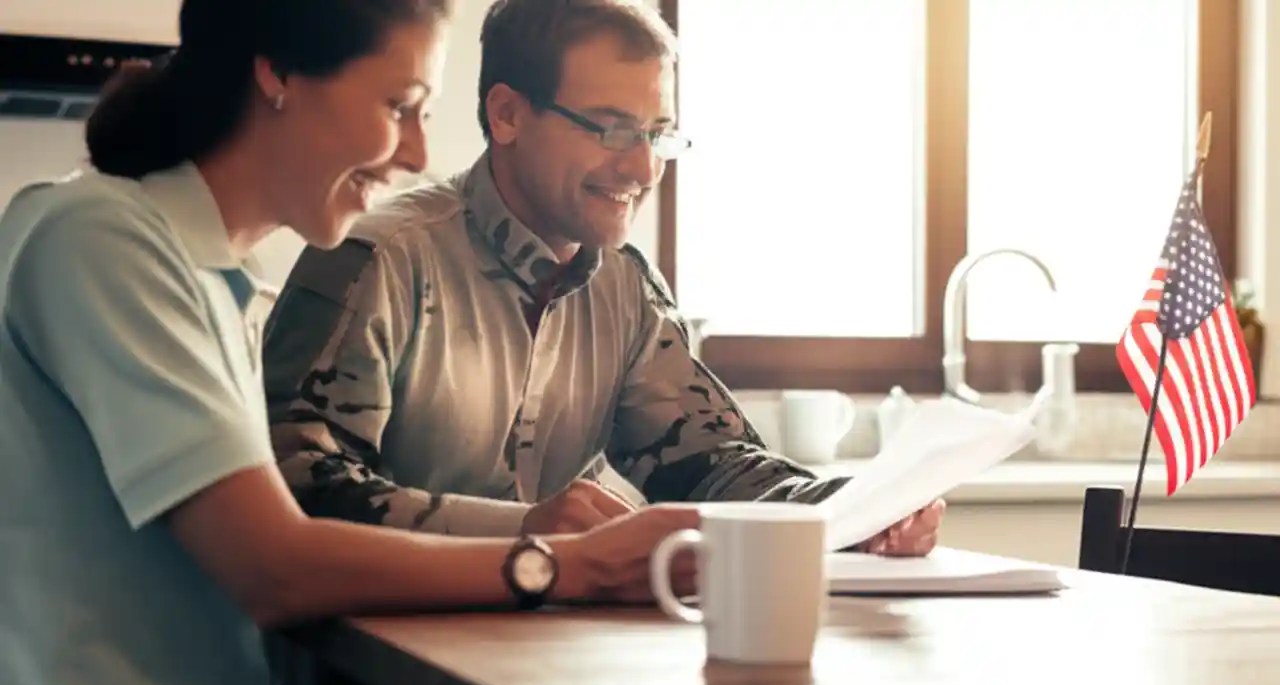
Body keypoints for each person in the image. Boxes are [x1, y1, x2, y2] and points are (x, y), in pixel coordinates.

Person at [0, 1, 701, 685]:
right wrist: (571, 564)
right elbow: (271, 565)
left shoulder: (220, 280)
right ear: (278, 74)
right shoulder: (102, 240)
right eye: (399, 106)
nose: (418, 155)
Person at [260, 0, 945, 554]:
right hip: (375, 663)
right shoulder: (376, 259)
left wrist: (853, 511)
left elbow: (707, 462)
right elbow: (299, 488)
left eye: (658, 134)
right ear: (507, 114)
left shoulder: (627, 287)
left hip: (553, 647)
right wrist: (524, 532)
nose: (643, 169)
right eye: (612, 130)